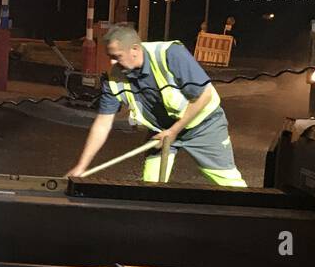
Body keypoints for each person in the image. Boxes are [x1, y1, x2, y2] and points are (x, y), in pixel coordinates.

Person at [67, 24, 247, 186]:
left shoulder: (170, 54)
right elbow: (102, 123)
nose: (112, 63)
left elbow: (204, 95)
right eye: (110, 56)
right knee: (151, 188)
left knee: (230, 185)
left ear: (135, 49)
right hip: (162, 131)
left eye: (117, 56)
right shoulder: (114, 78)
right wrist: (82, 166)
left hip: (203, 127)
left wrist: (174, 130)